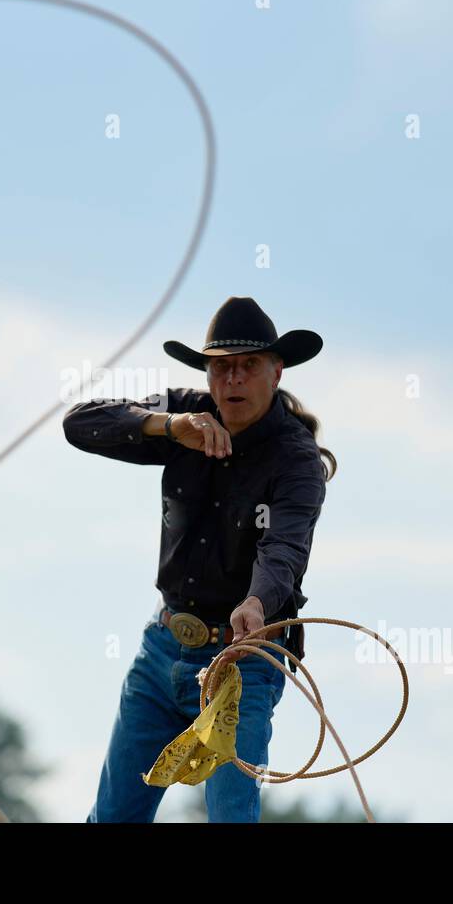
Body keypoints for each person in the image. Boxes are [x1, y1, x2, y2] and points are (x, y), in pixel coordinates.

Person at [63, 296, 335, 822]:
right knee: (114, 815)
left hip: (244, 663)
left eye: (248, 366)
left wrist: (257, 603)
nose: (233, 380)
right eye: (221, 367)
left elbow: (285, 550)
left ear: (275, 372)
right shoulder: (184, 415)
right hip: (164, 646)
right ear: (208, 374)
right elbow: (79, 424)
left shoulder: (297, 460)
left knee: (232, 815)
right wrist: (168, 428)